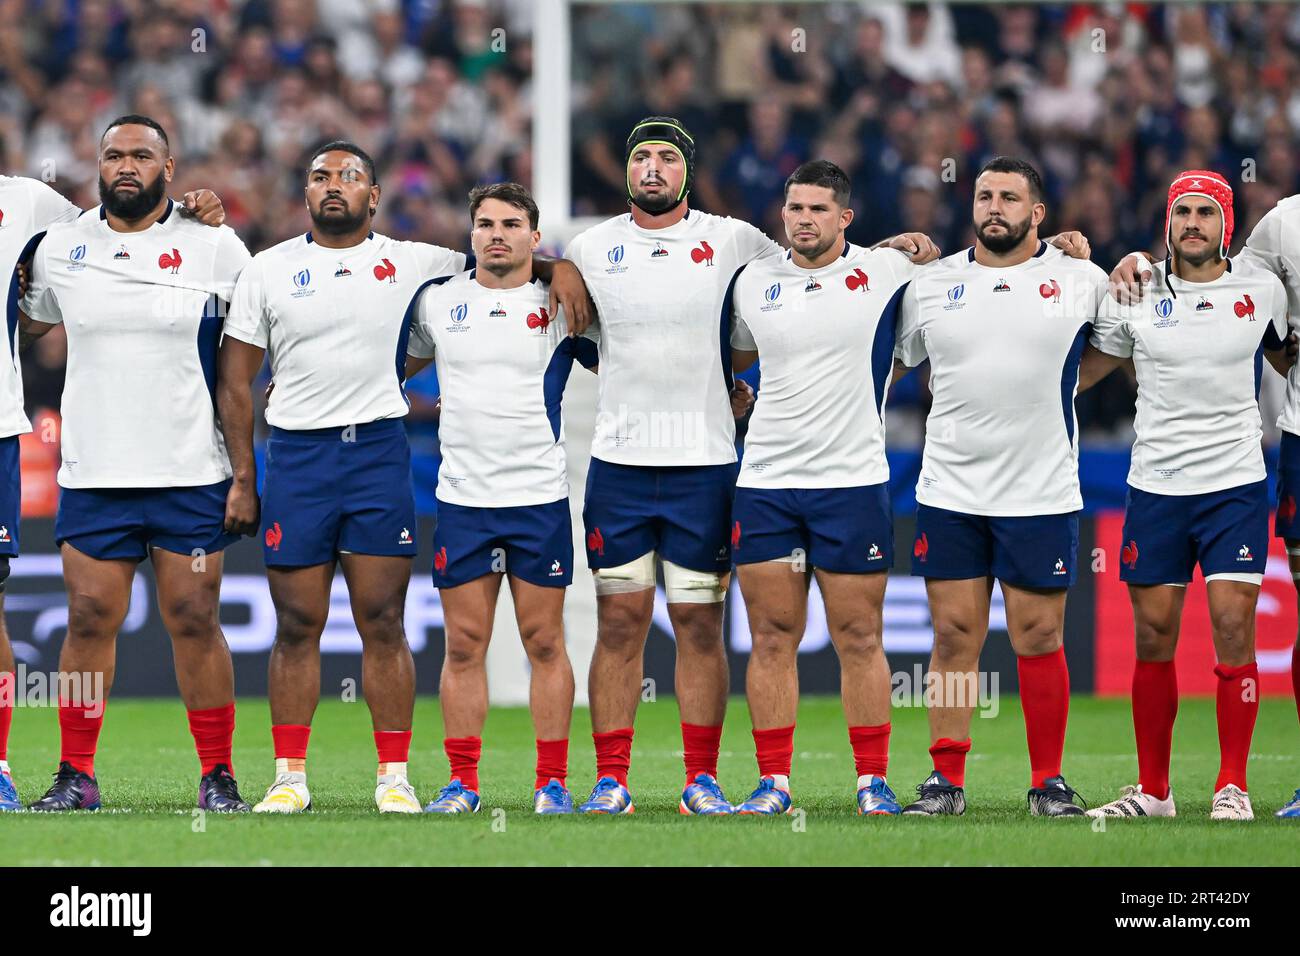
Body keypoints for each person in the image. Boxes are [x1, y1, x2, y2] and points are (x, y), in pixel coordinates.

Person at [562, 115, 938, 814]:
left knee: (707, 627)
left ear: (688, 171)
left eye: (666, 159)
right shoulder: (589, 247)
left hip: (710, 468)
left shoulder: (734, 242)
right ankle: (612, 780)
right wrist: (555, 263)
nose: (652, 169)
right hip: (620, 465)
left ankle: (707, 780)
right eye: (640, 156)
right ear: (625, 169)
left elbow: (838, 273)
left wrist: (896, 247)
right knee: (620, 625)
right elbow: (536, 272)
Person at [218, 141, 463, 814]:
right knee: (297, 622)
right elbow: (236, 380)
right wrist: (244, 475)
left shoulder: (416, 263)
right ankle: (289, 776)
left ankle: (394, 777)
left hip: (378, 455)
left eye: (349, 176)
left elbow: (507, 263)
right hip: (296, 456)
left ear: (374, 195)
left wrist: (557, 271)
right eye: (321, 176)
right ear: (305, 194)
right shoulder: (269, 269)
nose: (334, 186)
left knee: (382, 618)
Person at [20, 115, 251, 811]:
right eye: (114, 154)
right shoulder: (62, 248)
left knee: (194, 616)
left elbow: (251, 344)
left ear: (169, 168)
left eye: (141, 155)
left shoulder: (214, 245)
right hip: (94, 473)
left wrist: (245, 471)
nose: (126, 165)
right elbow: (25, 321)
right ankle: (76, 775)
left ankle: (217, 776)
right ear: (98, 164)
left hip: (189, 470)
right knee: (88, 617)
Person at [893, 156, 1108, 817]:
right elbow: (890, 356)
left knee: (1039, 637)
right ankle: (945, 782)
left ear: (1036, 213)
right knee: (954, 635)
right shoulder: (932, 284)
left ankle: (1048, 782)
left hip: (1040, 488)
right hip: (952, 488)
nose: (994, 207)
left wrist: (1067, 386)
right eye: (984, 195)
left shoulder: (1079, 279)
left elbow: (1123, 344)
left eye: (1010, 197)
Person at [1083, 170, 1289, 821]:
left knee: (1233, 630)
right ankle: (1155, 792)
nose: (1193, 223)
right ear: (1167, 220)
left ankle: (1233, 787)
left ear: (1226, 224)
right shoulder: (1135, 289)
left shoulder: (1262, 290)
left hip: (1234, 487)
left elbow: (1289, 360)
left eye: (1205, 212)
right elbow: (1087, 369)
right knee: (1153, 637)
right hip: (1156, 488)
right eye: (1182, 212)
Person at [727, 160, 923, 815]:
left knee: (859, 634)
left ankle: (872, 781)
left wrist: (1067, 251)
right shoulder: (754, 281)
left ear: (845, 217)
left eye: (817, 209)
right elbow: (729, 357)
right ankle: (773, 783)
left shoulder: (889, 272)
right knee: (773, 636)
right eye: (794, 208)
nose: (803, 219)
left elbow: (970, 279)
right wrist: (729, 391)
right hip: (767, 484)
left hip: (853, 481)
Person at [405, 183, 597, 814]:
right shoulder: (437, 303)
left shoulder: (565, 303)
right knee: (464, 646)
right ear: (470, 233)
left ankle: (552, 784)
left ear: (534, 237)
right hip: (463, 500)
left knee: (545, 642)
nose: (496, 234)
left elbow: (633, 360)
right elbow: (387, 368)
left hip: (538, 499)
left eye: (511, 224)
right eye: (484, 223)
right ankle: (461, 782)